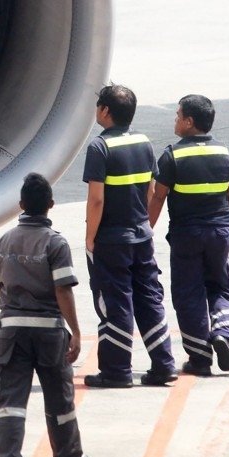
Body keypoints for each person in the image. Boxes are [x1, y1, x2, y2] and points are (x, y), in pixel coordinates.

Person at [0, 173, 89, 457]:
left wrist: (12, 304)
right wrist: (75, 330)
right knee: (59, 400)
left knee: (11, 402)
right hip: (48, 332)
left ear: (21, 205)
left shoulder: (4, 241)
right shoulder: (55, 243)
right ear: (50, 206)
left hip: (12, 332)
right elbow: (63, 291)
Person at [83, 84, 176, 388]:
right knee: (149, 298)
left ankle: (117, 371)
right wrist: (144, 226)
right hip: (141, 235)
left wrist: (89, 238)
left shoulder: (99, 147)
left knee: (115, 302)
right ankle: (164, 364)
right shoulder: (144, 142)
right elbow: (150, 191)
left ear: (106, 111)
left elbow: (96, 199)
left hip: (112, 239)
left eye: (99, 104)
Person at [148, 94, 229, 377]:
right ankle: (222, 331)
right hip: (220, 232)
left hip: (186, 234)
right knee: (221, 286)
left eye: (178, 116)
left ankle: (200, 357)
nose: (175, 120)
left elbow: (158, 198)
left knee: (188, 294)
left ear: (189, 122)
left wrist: (145, 230)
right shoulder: (225, 153)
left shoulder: (172, 155)